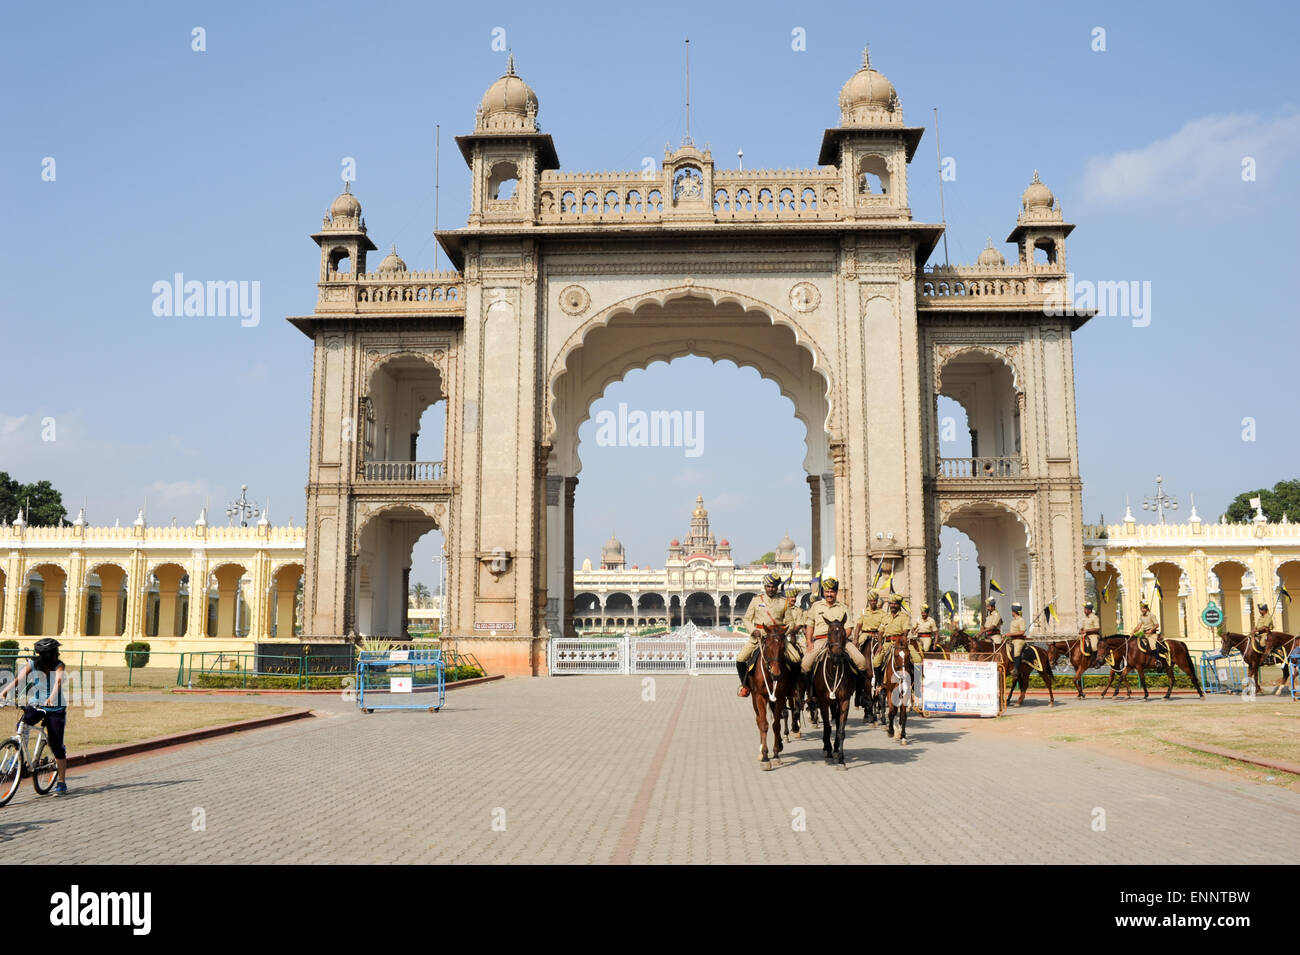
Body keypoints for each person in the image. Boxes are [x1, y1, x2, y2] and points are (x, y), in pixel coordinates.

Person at [0, 638, 69, 795]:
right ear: (48, 654)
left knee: (56, 745)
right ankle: (18, 756)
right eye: (55, 651)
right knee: (21, 726)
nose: (58, 653)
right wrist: (4, 691)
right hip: (37, 703)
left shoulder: (59, 665)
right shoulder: (33, 664)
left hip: (56, 708)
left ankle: (62, 782)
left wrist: (51, 698)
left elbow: (58, 682)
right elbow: (18, 679)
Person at [735, 572, 800, 697]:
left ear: (777, 587)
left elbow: (790, 622)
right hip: (759, 637)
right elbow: (747, 619)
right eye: (768, 586)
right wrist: (753, 630)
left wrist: (782, 633)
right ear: (765, 586)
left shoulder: (784, 602)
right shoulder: (756, 600)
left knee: (796, 658)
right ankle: (746, 686)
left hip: (778, 639)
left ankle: (793, 687)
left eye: (774, 586)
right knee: (740, 659)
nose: (771, 589)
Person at [800, 577, 869, 682]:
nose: (829, 594)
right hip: (820, 640)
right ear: (823, 592)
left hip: (841, 641)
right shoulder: (816, 606)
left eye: (832, 592)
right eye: (827, 592)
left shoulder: (843, 608)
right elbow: (810, 625)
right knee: (805, 664)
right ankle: (810, 693)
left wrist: (838, 639)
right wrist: (809, 642)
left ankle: (861, 693)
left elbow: (849, 628)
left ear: (836, 592)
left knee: (862, 662)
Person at [852, 590, 887, 706]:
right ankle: (856, 678)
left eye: (875, 600)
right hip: (865, 635)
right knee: (854, 655)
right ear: (868, 601)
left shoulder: (882, 613)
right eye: (871, 600)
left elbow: (884, 628)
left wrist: (880, 636)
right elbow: (858, 626)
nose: (873, 602)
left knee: (886, 652)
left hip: (877, 636)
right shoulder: (864, 611)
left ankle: (883, 676)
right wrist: (856, 639)